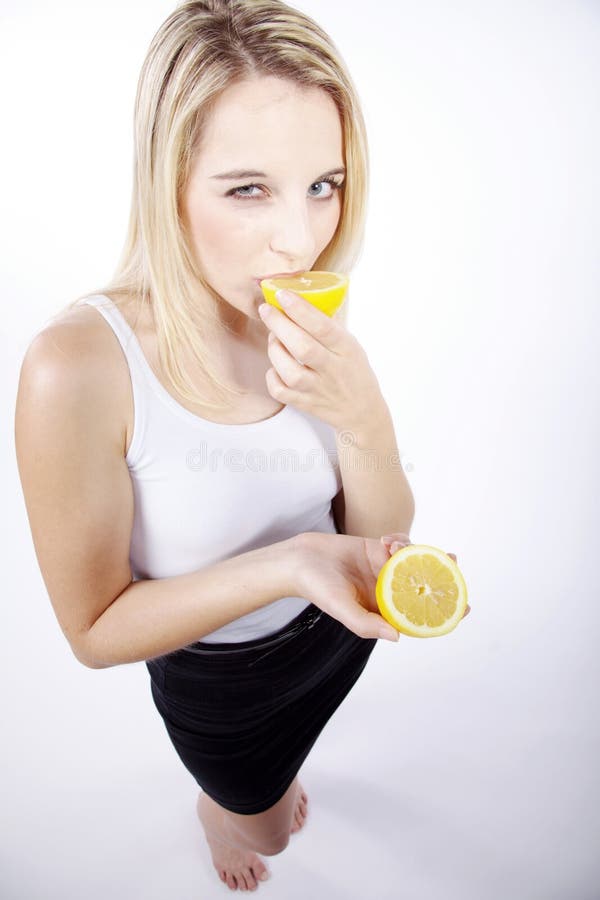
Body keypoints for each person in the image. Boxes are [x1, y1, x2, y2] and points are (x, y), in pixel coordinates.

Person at [14, 0, 469, 892]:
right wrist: (290, 564)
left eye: (324, 185)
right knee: (270, 836)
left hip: (339, 626)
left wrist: (366, 419)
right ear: (168, 181)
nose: (300, 239)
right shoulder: (77, 367)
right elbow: (94, 633)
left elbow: (378, 533)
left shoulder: (294, 299)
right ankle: (216, 812)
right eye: (248, 189)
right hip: (224, 681)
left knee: (295, 770)